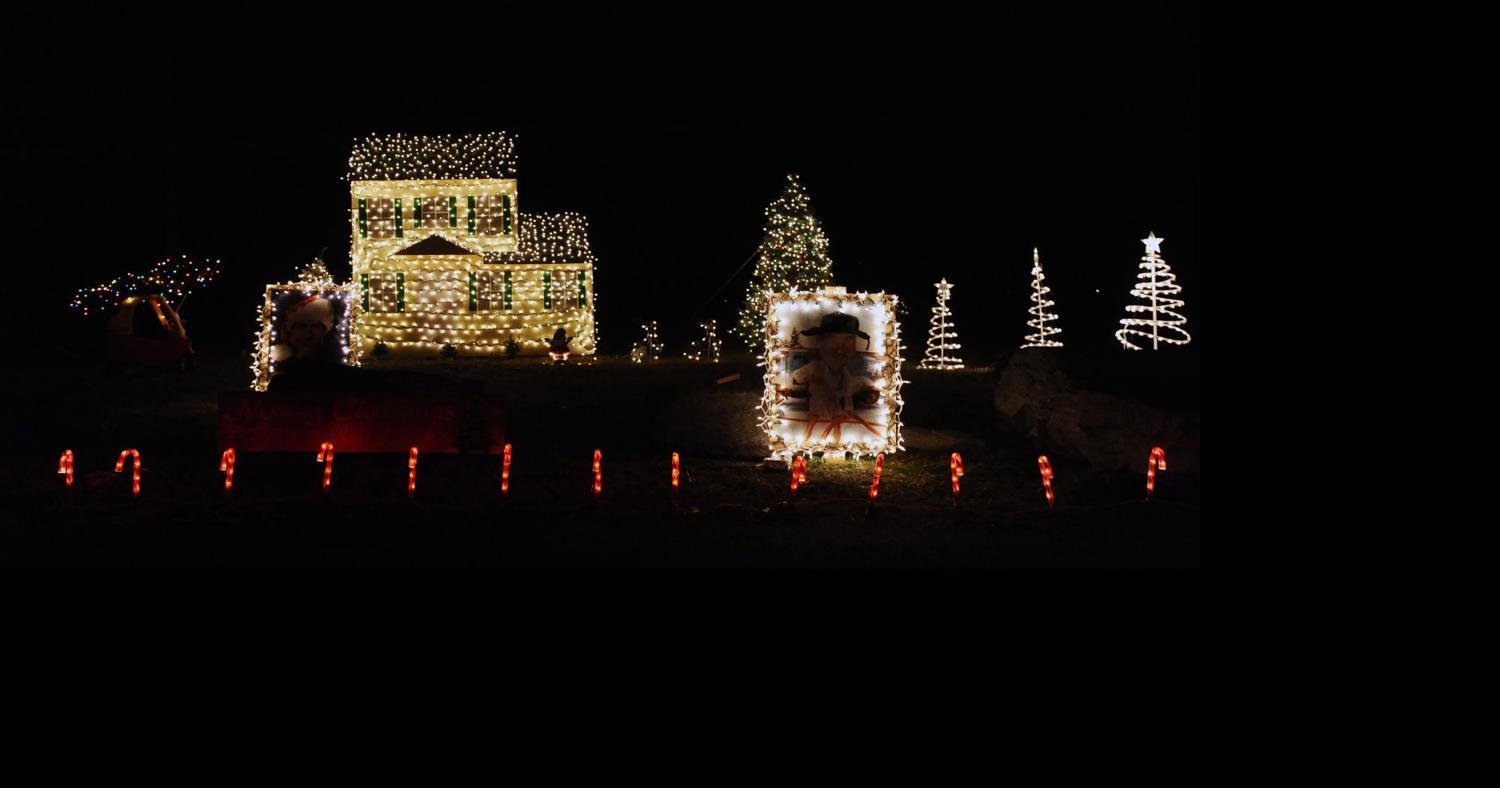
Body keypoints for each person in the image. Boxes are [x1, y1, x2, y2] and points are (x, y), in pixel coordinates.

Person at [790, 312, 880, 420]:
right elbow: (796, 377)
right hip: (817, 410)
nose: (840, 349)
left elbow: (848, 393)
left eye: (848, 338)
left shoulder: (849, 375)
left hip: (835, 409)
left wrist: (848, 409)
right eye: (832, 339)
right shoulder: (816, 367)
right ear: (820, 342)